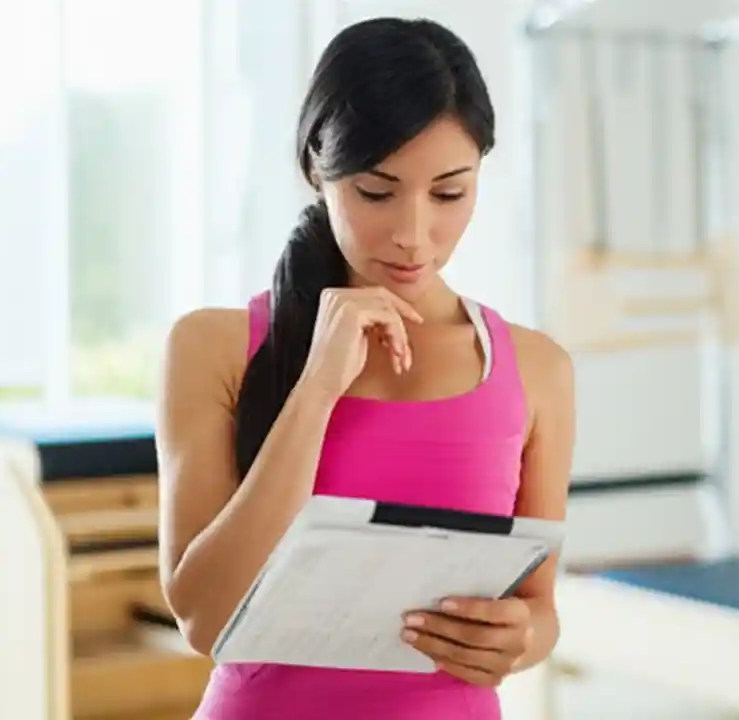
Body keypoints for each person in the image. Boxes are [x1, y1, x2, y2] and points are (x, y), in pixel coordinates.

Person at [154, 17, 575, 719]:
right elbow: (203, 618)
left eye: (449, 193)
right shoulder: (213, 348)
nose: (414, 234)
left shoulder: (537, 369)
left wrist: (522, 638)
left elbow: (541, 612)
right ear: (319, 170)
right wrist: (318, 385)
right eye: (377, 192)